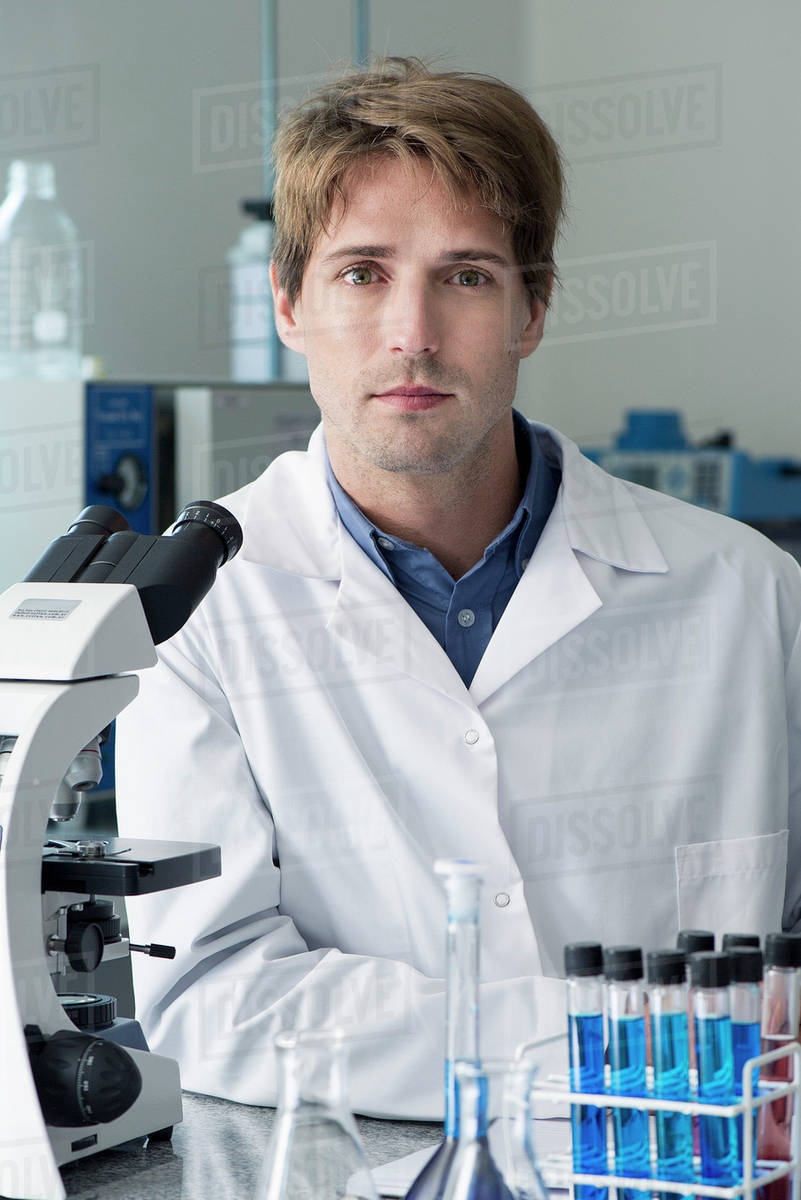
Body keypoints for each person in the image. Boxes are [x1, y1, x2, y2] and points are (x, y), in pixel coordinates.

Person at [115, 57, 801, 1118]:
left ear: (533, 309)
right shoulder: (197, 614)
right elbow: (213, 998)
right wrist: (595, 1049)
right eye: (362, 274)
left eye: (468, 274)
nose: (413, 334)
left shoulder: (750, 596)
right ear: (289, 303)